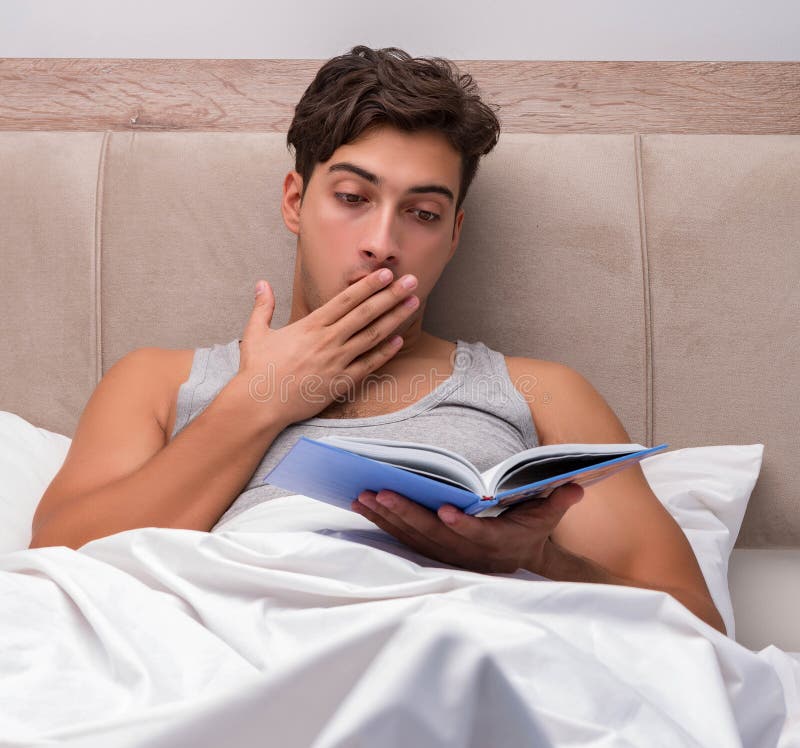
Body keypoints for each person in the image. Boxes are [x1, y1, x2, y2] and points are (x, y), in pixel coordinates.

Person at [28, 45, 725, 635]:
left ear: (453, 234)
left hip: (464, 652)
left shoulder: (538, 392)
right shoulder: (159, 381)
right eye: (354, 198)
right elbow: (56, 565)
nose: (382, 244)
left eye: (421, 213)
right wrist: (262, 401)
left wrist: (538, 560)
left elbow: (696, 626)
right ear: (297, 202)